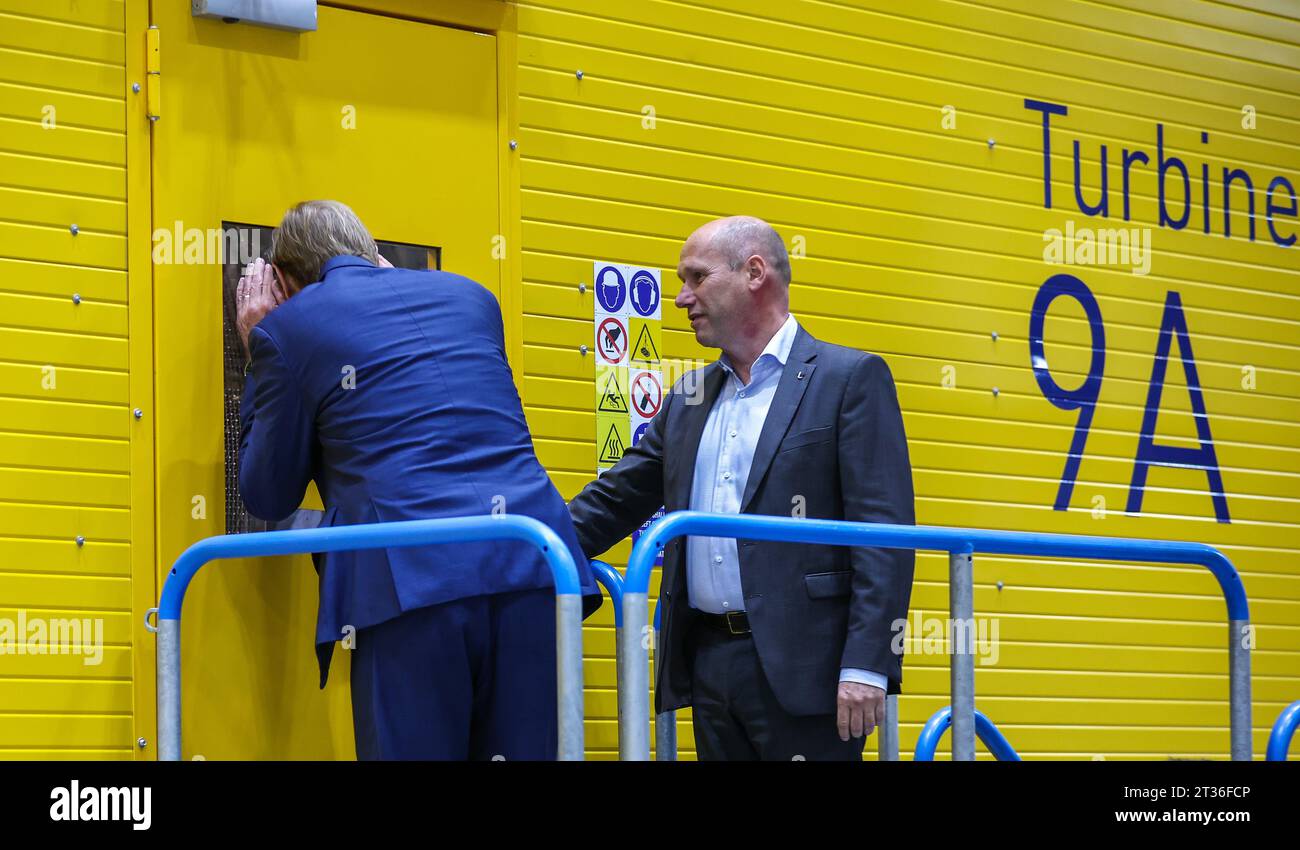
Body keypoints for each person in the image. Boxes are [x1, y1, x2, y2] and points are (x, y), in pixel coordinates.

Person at [235, 199, 600, 760]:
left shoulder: (288, 328)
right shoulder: (473, 297)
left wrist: (260, 346)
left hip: (410, 579)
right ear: (373, 251)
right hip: (534, 564)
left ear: (281, 280)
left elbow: (267, 493)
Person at [569, 216, 915, 760]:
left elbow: (884, 534)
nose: (681, 298)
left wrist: (868, 662)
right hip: (709, 663)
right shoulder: (688, 397)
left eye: (696, 278)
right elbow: (614, 501)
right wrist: (519, 548)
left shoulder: (848, 379)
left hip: (810, 672)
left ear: (754, 272)